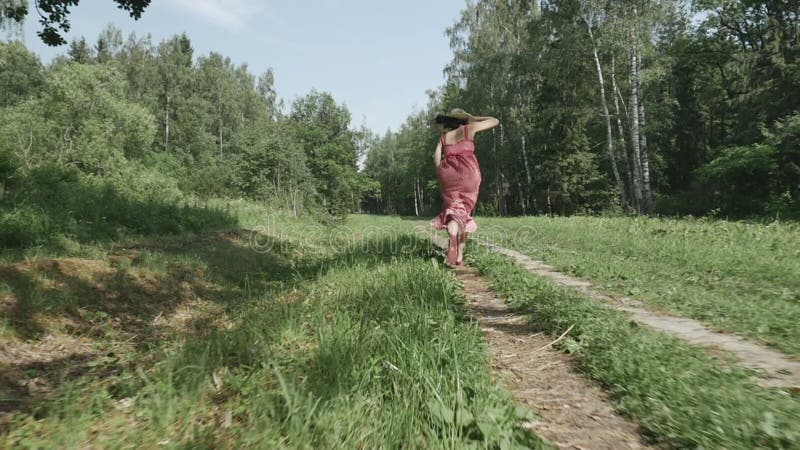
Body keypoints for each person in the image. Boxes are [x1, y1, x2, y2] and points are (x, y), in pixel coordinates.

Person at [430, 108, 499, 265]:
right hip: (469, 174)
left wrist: (441, 172)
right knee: (464, 212)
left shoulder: (444, 137)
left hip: (449, 175)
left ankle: (453, 236)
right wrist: (473, 117)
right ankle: (460, 254)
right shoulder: (469, 129)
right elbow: (495, 121)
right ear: (463, 119)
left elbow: (436, 158)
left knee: (454, 212)